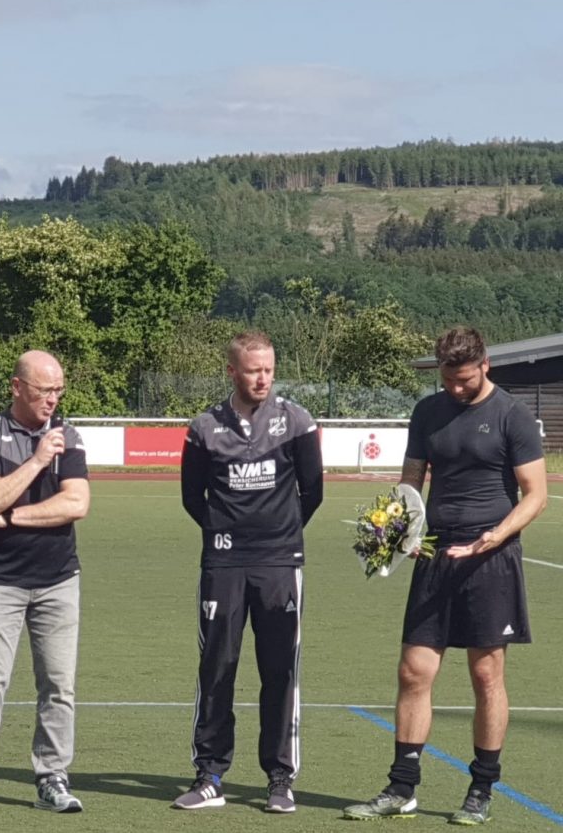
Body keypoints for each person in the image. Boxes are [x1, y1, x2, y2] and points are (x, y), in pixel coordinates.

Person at [344, 326, 546, 825]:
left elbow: (535, 494)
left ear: (484, 367)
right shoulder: (428, 412)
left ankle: (481, 789)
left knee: (485, 675)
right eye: (447, 380)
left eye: (463, 380)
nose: (455, 389)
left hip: (490, 557)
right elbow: (412, 479)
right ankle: (401, 787)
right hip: (434, 555)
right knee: (414, 670)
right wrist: (400, 530)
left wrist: (494, 537)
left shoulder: (512, 416)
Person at [173, 330, 323, 814]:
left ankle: (279, 779)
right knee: (217, 666)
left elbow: (312, 492)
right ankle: (210, 774)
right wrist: (226, 535)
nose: (263, 378)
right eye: (254, 370)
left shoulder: (296, 421)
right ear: (233, 371)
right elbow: (192, 497)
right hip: (223, 563)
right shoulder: (204, 427)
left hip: (280, 564)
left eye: (269, 369)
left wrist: (277, 536)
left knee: (279, 669)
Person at [0, 349, 90, 815]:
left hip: (58, 579)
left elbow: (76, 505)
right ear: (17, 388)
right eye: (44, 390)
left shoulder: (69, 436)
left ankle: (52, 777)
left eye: (58, 390)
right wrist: (34, 462)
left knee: (58, 685)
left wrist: (13, 516)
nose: (53, 399)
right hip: (0, 580)